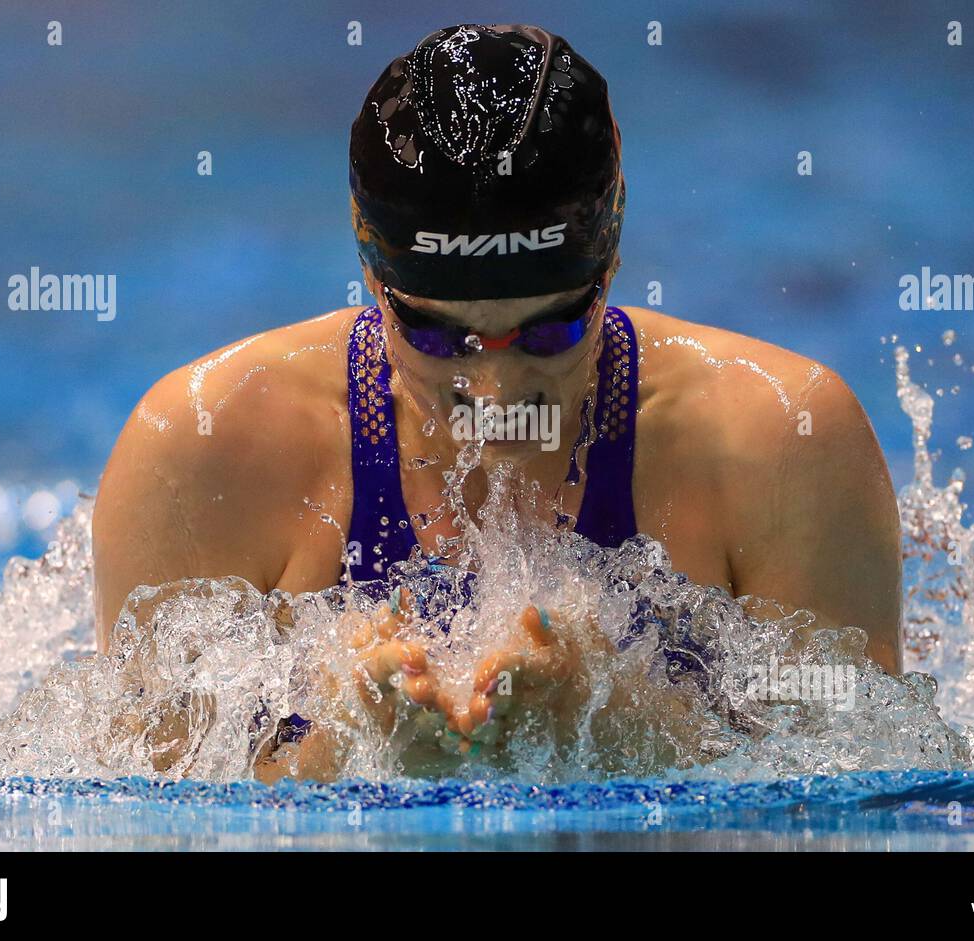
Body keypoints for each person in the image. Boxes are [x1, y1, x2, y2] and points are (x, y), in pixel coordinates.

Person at [92, 24, 902, 781]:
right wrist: (340, 752)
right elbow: (133, 804)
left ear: (613, 254)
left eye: (549, 331)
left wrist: (628, 730)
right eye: (438, 337)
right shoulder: (202, 446)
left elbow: (866, 766)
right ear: (373, 275)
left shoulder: (781, 438)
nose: (493, 389)